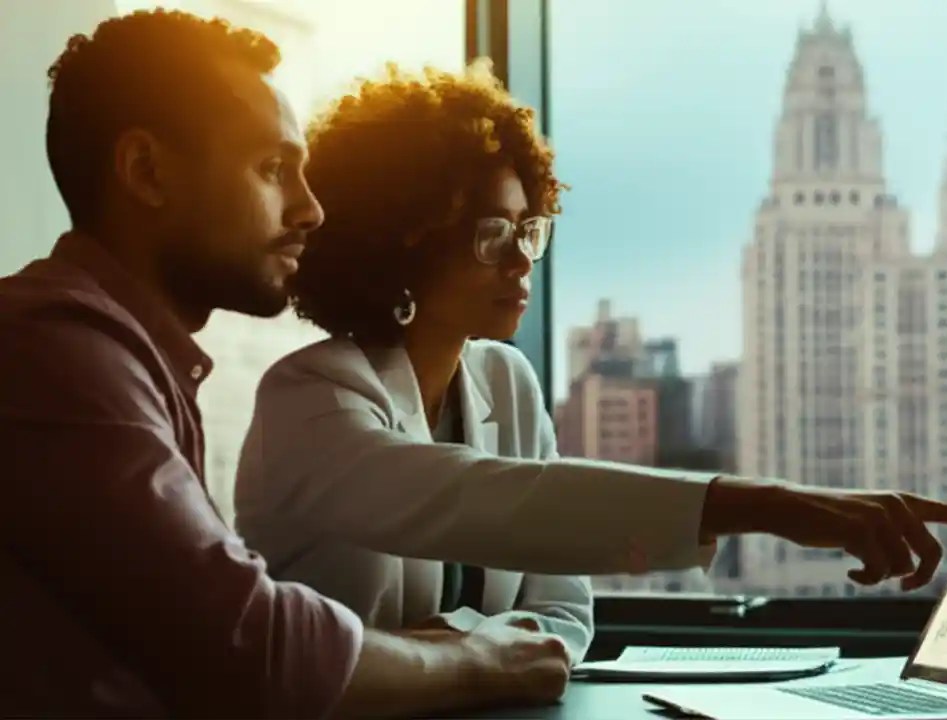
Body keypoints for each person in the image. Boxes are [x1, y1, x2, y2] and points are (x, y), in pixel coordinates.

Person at [234, 60, 947, 664]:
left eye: (528, 229)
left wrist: (461, 654)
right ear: (398, 245)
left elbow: (565, 609)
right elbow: (490, 503)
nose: (521, 260)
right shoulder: (309, 398)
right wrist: (772, 505)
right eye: (491, 235)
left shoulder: (506, 381)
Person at [0, 11, 571, 717]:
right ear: (146, 170)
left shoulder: (128, 362)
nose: (311, 211)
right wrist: (479, 660)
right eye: (272, 169)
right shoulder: (54, 357)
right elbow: (247, 642)